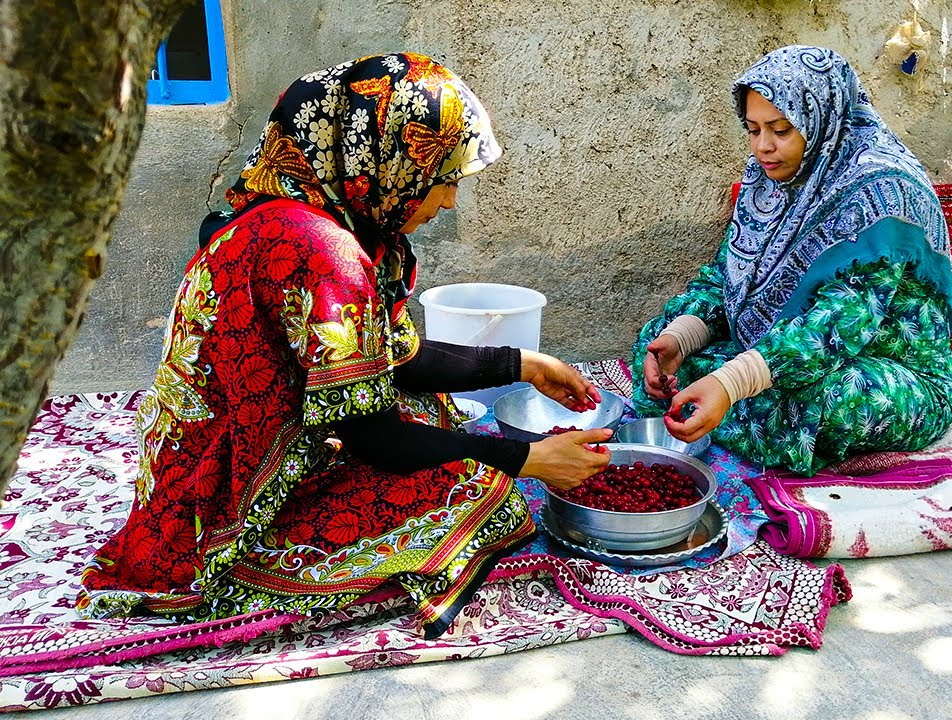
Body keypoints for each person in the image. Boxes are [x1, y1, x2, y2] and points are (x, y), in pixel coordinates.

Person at [77, 53, 611, 635]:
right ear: (388, 160)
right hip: (218, 488)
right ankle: (250, 561)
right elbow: (372, 433)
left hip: (210, 446)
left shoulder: (319, 212)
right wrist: (527, 460)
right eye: (445, 179)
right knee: (477, 492)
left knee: (435, 419)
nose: (450, 201)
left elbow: (396, 363)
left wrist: (525, 365)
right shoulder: (322, 253)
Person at [632, 45, 952, 477]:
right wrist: (681, 337)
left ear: (819, 120)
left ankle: (722, 406)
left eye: (781, 129)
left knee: (823, 402)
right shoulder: (768, 181)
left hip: (877, 368)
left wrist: (729, 383)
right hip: (775, 355)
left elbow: (834, 327)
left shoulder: (885, 193)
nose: (763, 148)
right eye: (753, 130)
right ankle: (719, 402)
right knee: (656, 344)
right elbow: (725, 278)